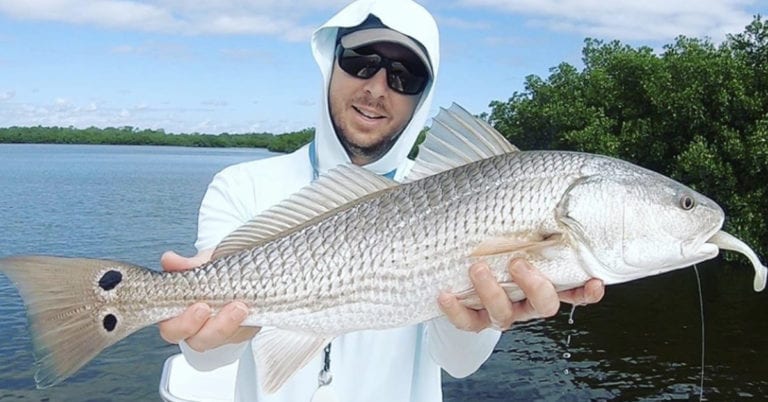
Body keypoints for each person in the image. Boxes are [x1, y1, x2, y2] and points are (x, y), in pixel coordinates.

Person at [158, 0, 605, 401]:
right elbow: (206, 360)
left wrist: (485, 317)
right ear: (330, 63)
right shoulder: (241, 184)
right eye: (361, 61)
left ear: (422, 97)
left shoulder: (467, 190)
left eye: (404, 76)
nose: (377, 87)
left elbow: (459, 363)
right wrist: (204, 331)